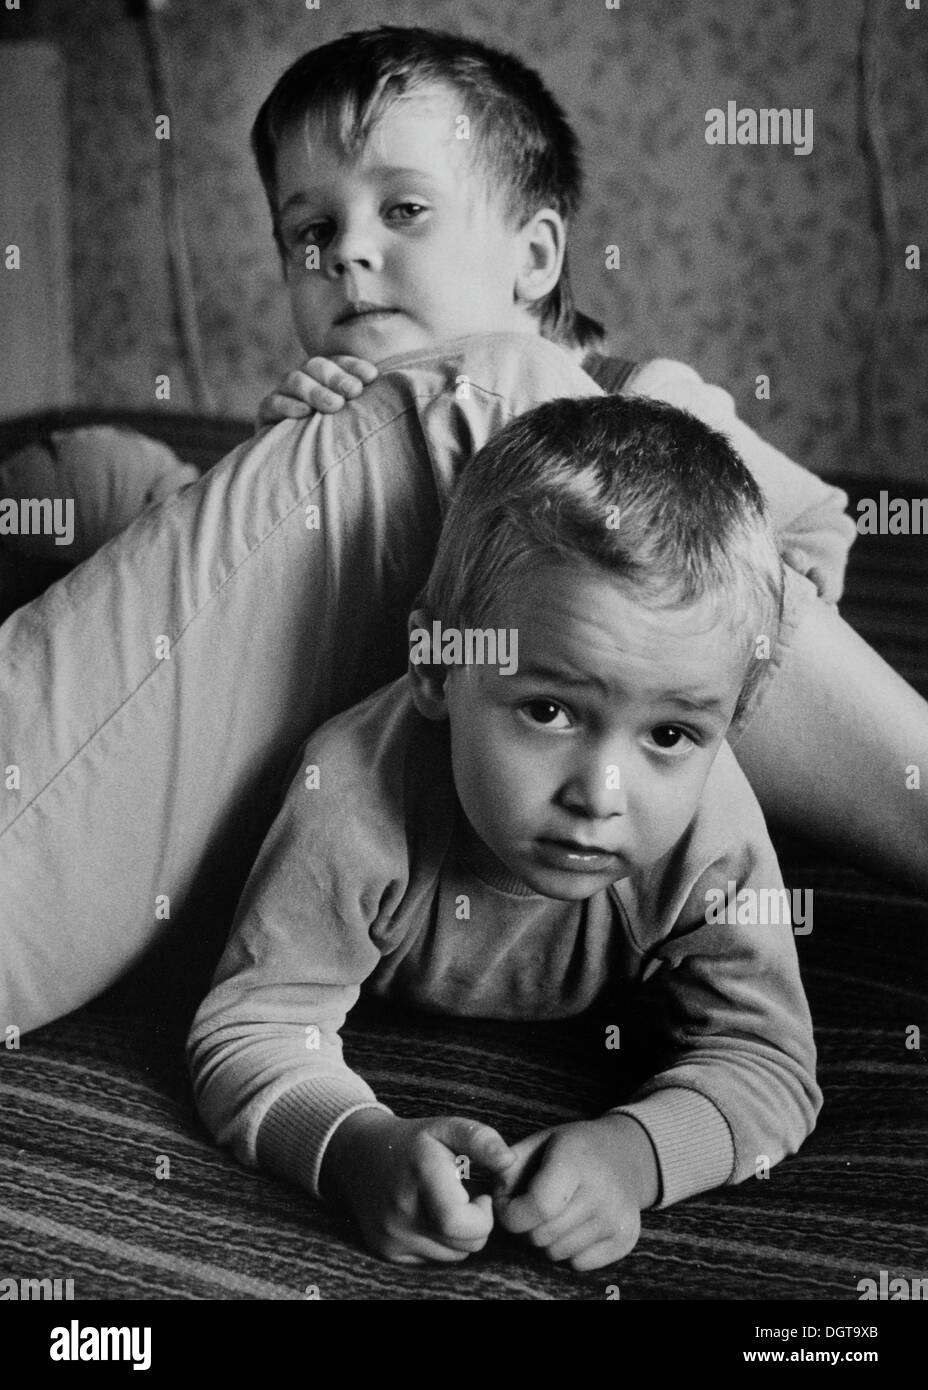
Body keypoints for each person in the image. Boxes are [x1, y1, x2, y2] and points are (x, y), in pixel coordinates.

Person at [0, 27, 924, 1039]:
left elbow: (813, 517)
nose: (345, 250)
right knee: (100, 476)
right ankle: (116, 496)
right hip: (355, 722)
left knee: (503, 414)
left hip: (508, 768)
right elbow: (265, 607)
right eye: (308, 231)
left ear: (533, 256)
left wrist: (729, 626)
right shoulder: (351, 421)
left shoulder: (651, 409)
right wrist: (296, 447)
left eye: (403, 210)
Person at [188, 395, 821, 1271]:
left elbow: (768, 1061)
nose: (601, 796)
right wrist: (356, 1151)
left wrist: (634, 1157)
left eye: (671, 736)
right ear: (436, 667)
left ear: (732, 723)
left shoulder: (711, 837)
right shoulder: (356, 793)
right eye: (550, 709)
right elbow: (251, 1025)